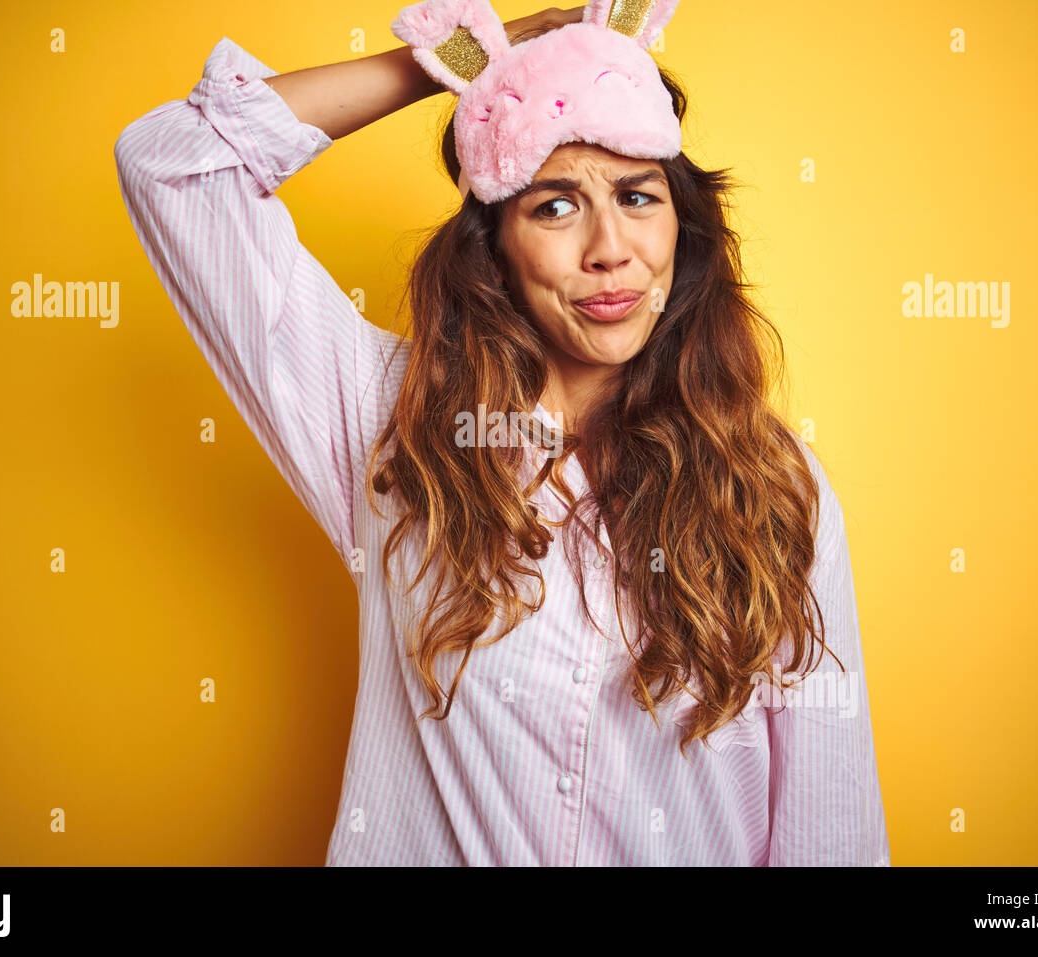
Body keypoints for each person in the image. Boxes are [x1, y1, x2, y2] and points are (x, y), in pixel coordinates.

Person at [113, 0, 891, 866]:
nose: (610, 248)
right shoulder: (389, 425)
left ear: (684, 229)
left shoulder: (776, 487)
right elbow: (171, 163)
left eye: (639, 197)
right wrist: (467, 66)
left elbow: (832, 827)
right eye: (554, 206)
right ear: (496, 248)